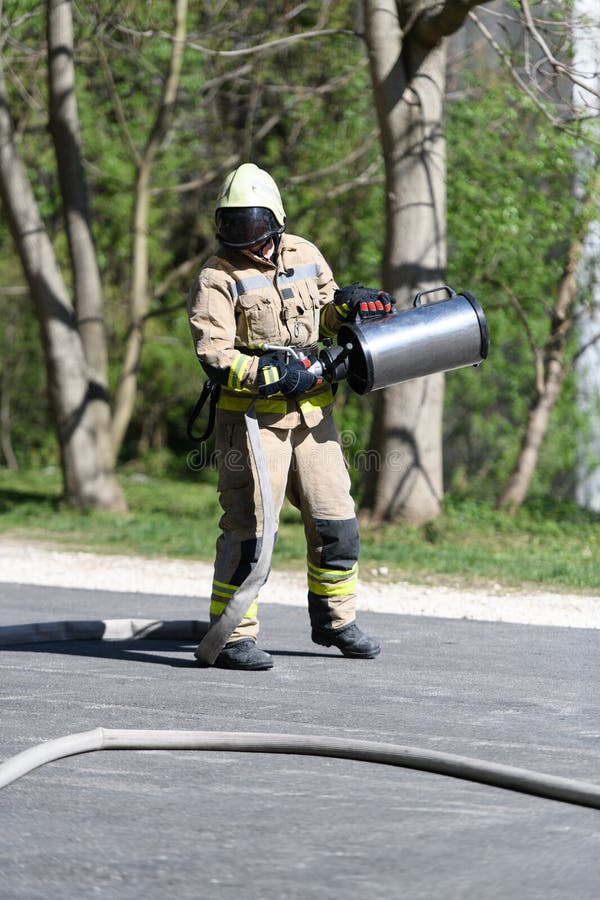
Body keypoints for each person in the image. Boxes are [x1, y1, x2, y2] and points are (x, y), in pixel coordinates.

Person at [187, 162, 394, 670]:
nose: (247, 240)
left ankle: (336, 621)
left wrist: (348, 307)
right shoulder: (217, 275)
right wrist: (268, 374)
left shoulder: (304, 253)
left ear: (276, 223)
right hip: (252, 422)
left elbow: (324, 311)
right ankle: (234, 635)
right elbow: (213, 353)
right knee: (250, 529)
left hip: (313, 416)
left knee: (336, 521)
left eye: (255, 228)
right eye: (234, 228)